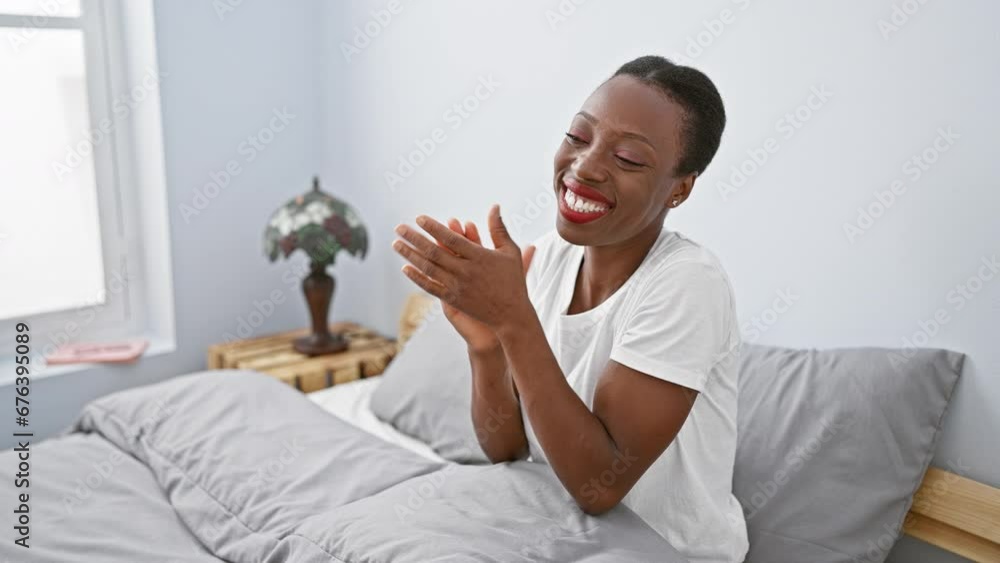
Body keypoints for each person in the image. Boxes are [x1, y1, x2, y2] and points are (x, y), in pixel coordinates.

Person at [392, 55, 748, 562]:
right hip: (560, 532)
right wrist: (487, 345)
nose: (584, 166)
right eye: (578, 137)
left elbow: (599, 487)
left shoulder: (688, 283)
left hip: (661, 551)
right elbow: (506, 450)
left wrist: (514, 320)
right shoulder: (550, 258)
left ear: (680, 188)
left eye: (627, 158)